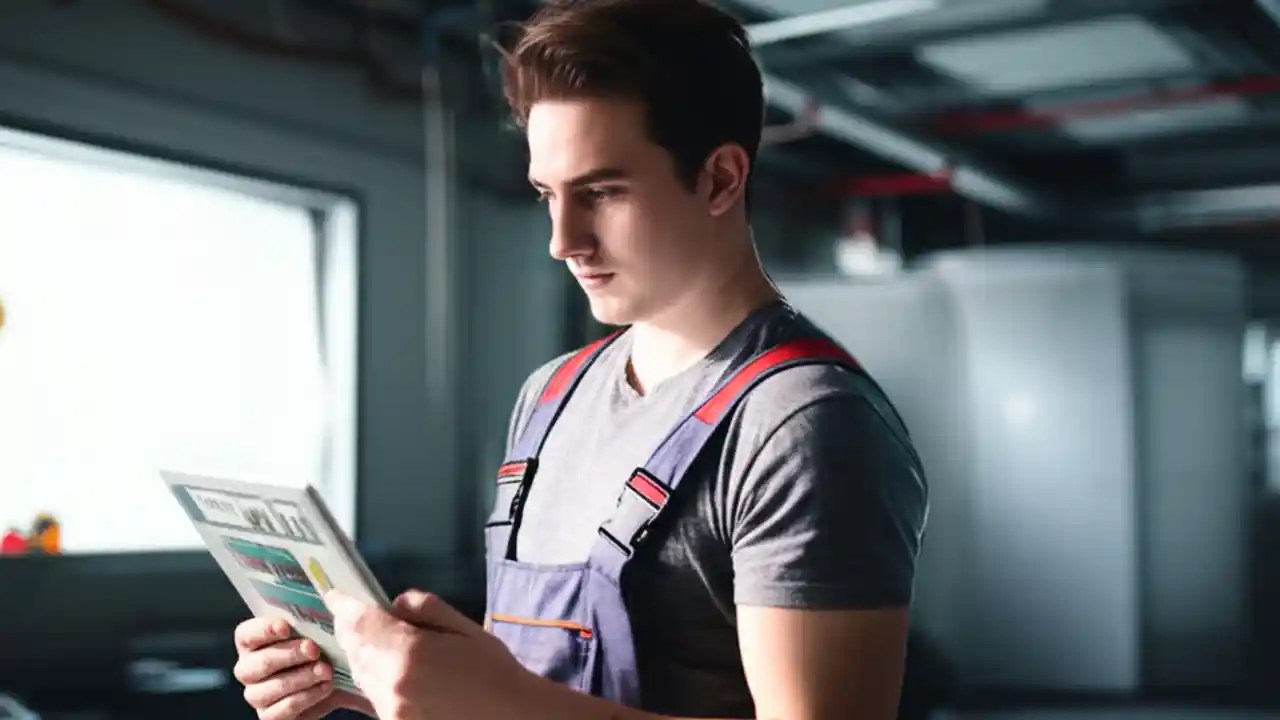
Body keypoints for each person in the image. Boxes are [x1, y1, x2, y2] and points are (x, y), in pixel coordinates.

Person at [230, 1, 929, 718]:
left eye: (601, 192)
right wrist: (393, 682)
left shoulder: (802, 426)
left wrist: (497, 701)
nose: (562, 240)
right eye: (547, 195)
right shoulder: (551, 395)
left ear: (721, 179)